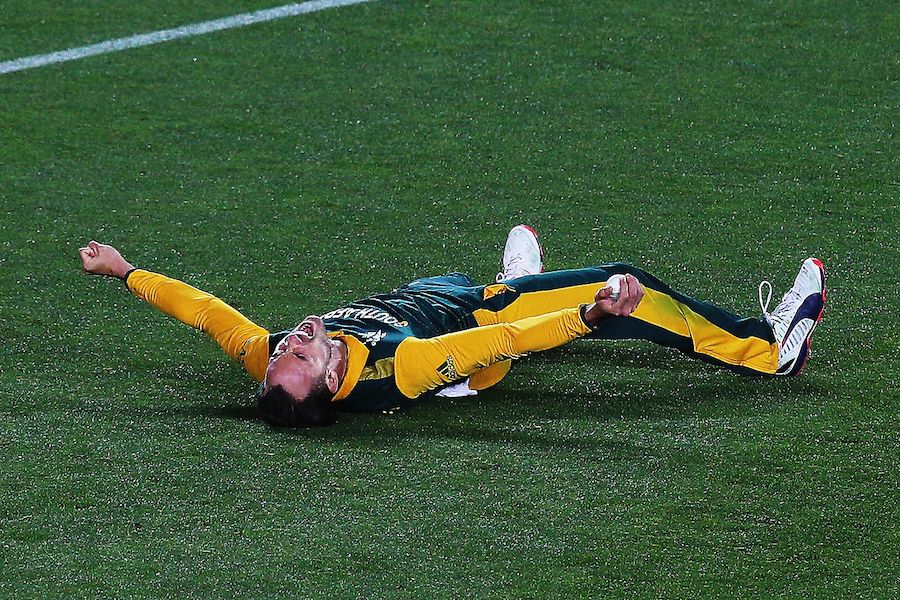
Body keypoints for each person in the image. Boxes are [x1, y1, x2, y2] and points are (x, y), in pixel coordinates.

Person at [78, 226, 826, 427]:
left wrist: (124, 271)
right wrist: (591, 313)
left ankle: (514, 284)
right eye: (300, 355)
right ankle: (768, 353)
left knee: (471, 291)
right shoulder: (394, 371)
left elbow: (207, 314)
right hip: (470, 333)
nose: (289, 342)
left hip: (435, 299)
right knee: (630, 287)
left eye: (284, 351)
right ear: (335, 381)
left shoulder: (268, 362)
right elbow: (499, 338)